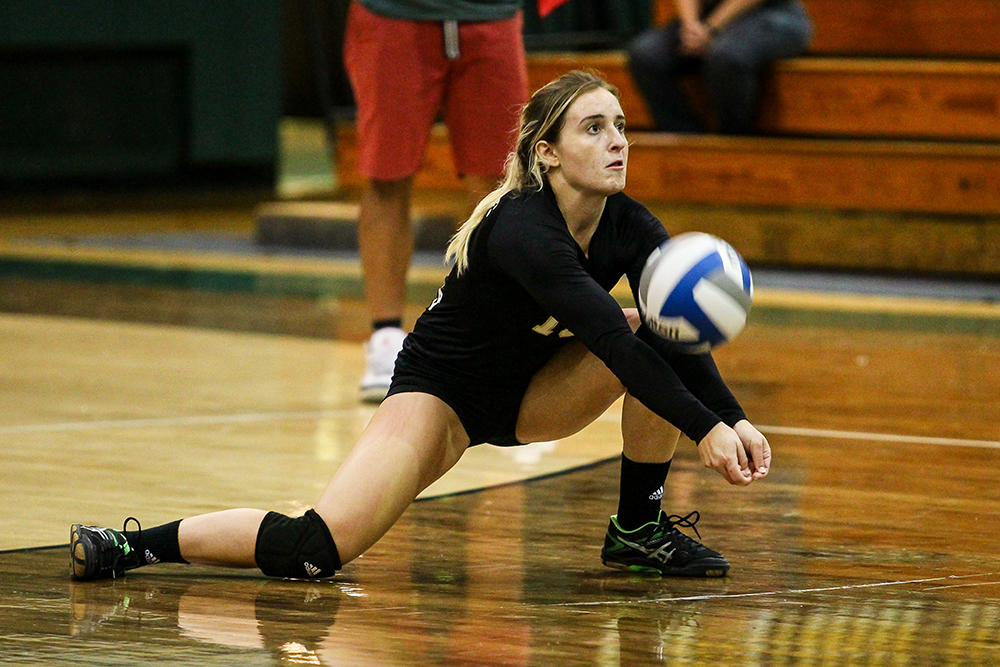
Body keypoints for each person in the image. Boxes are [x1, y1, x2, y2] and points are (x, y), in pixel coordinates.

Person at [69, 71, 771, 583]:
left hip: (531, 393)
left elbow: (675, 334)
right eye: (594, 127)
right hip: (443, 394)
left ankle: (639, 530)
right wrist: (707, 429)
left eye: (621, 126)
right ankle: (135, 546)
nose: (617, 141)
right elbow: (608, 342)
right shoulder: (522, 228)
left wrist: (732, 415)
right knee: (313, 549)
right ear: (546, 152)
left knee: (655, 329)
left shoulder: (630, 225)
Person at [344, 0, 529, 402]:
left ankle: (489, 334)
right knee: (385, 176)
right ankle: (386, 336)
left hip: (489, 15)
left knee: (500, 184)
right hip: (393, 14)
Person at [627, 0, 812, 134]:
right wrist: (691, 26)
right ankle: (687, 139)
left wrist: (710, 29)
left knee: (726, 56)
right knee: (645, 55)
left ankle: (733, 141)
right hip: (706, 15)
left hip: (771, 14)